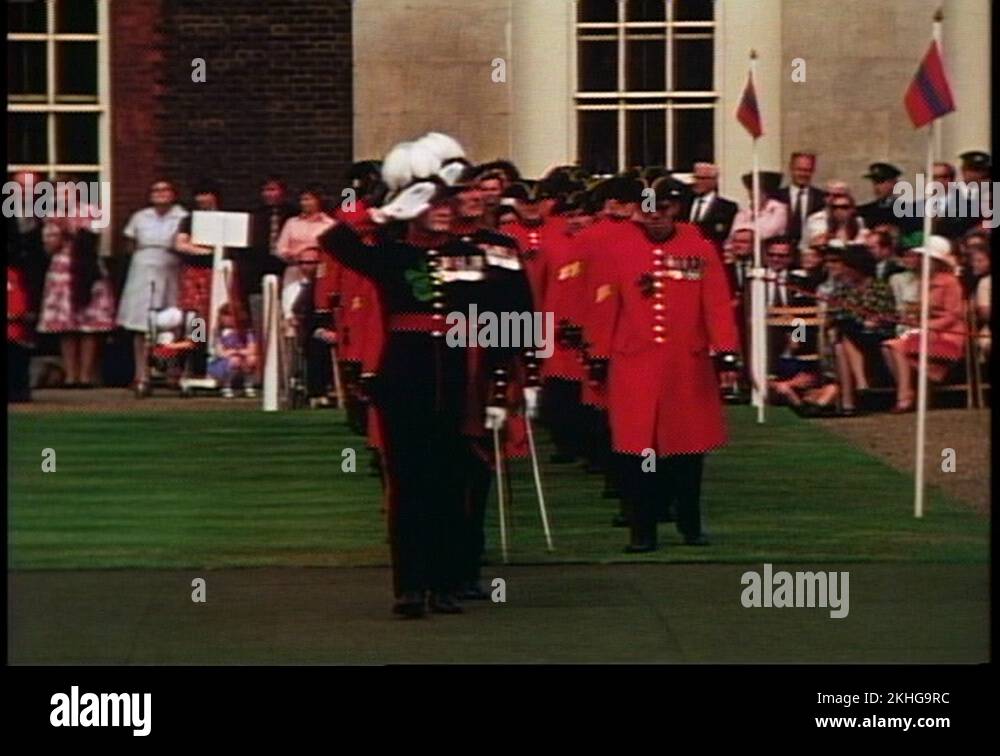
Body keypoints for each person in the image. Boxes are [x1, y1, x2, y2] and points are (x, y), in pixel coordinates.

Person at [318, 141, 531, 618]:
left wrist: (512, 382)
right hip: (405, 373)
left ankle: (445, 581)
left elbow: (513, 312)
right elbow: (334, 241)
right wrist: (380, 213)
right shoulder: (392, 255)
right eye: (428, 203)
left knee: (451, 481)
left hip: (459, 375)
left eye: (444, 202)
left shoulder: (475, 253)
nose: (440, 211)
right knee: (408, 483)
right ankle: (410, 586)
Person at [584, 177, 740, 552]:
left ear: (677, 209)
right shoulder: (619, 246)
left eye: (665, 209)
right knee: (638, 451)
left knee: (687, 450)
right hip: (634, 363)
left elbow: (716, 303)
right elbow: (606, 302)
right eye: (648, 209)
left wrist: (726, 351)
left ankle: (690, 524)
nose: (656, 217)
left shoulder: (698, 246)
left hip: (686, 365)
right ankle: (642, 529)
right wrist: (598, 354)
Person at [116, 180, 189, 395]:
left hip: (170, 268)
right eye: (156, 190)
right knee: (141, 324)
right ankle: (142, 374)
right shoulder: (140, 217)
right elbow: (130, 243)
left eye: (165, 190)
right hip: (142, 270)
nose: (160, 194)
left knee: (172, 321)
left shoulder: (182, 216)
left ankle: (172, 371)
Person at [881, 235, 966, 413]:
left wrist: (927, 325)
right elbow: (923, 311)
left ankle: (905, 397)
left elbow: (953, 315)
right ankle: (915, 385)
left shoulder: (951, 283)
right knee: (887, 347)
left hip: (948, 335)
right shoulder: (924, 282)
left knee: (895, 346)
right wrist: (913, 319)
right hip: (927, 331)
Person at [36, 216, 116, 388]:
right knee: (67, 327)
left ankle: (86, 376)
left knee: (89, 326)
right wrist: (59, 235)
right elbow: (49, 249)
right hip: (62, 272)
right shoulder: (52, 217)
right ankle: (71, 376)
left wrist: (74, 231)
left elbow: (99, 239)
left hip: (88, 269)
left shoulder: (92, 213)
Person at [828, 246, 896, 415]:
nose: (844, 271)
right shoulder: (842, 289)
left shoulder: (880, 287)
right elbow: (836, 314)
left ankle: (849, 401)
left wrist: (873, 321)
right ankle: (858, 390)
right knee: (842, 342)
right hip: (852, 332)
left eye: (848, 267)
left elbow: (887, 314)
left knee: (844, 340)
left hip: (876, 335)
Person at [276, 186, 335, 294]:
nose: (304, 203)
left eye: (308, 199)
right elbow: (280, 249)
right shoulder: (292, 223)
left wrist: (311, 249)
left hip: (320, 272)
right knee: (291, 307)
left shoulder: (330, 225)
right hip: (295, 270)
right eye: (302, 200)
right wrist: (293, 254)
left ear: (318, 201)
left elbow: (334, 250)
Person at [776, 152, 827, 250]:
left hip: (810, 251)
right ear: (791, 168)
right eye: (799, 170)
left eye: (807, 170)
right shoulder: (777, 196)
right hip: (783, 251)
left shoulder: (821, 198)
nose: (803, 174)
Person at [207, 302, 258, 398]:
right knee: (234, 360)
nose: (227, 319)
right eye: (225, 315)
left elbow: (252, 350)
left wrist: (239, 352)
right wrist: (233, 352)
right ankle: (226, 386)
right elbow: (220, 352)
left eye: (230, 315)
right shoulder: (219, 332)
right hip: (221, 362)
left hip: (240, 357)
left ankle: (248, 386)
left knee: (252, 359)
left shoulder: (247, 332)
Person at [686, 162, 738, 246]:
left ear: (714, 180)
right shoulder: (684, 203)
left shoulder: (728, 208)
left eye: (702, 178)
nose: (697, 182)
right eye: (695, 178)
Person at [728, 171, 788, 243]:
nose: (752, 193)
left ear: (767, 192)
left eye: (757, 189)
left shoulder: (778, 210)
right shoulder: (743, 213)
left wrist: (744, 230)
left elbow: (766, 233)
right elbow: (733, 235)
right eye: (750, 189)